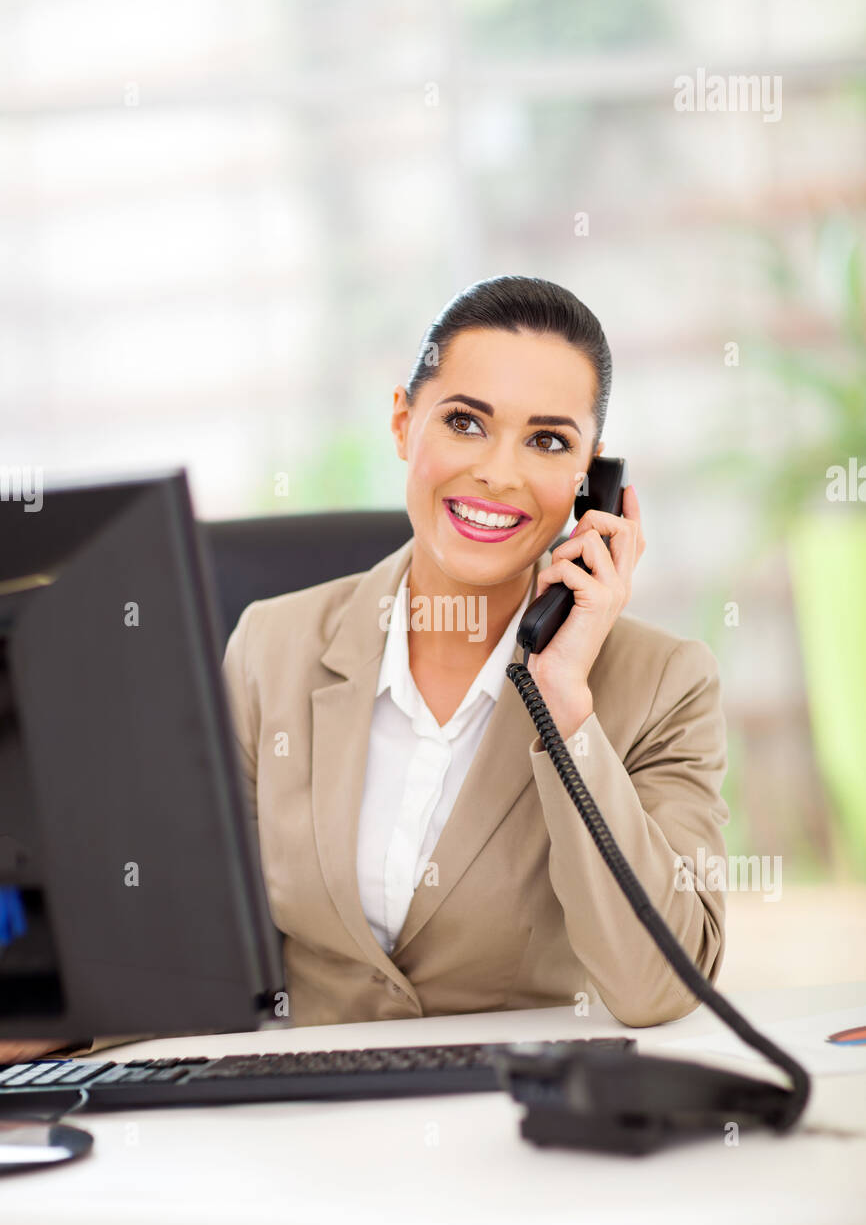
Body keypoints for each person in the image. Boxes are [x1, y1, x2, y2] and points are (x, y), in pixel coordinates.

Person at [2, 273, 728, 1061]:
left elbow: (660, 983)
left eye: (547, 440)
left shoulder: (664, 684)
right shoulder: (270, 649)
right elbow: (181, 956)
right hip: (306, 1136)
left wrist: (562, 704)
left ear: (594, 481)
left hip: (526, 1134)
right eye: (465, 422)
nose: (500, 473)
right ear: (402, 423)